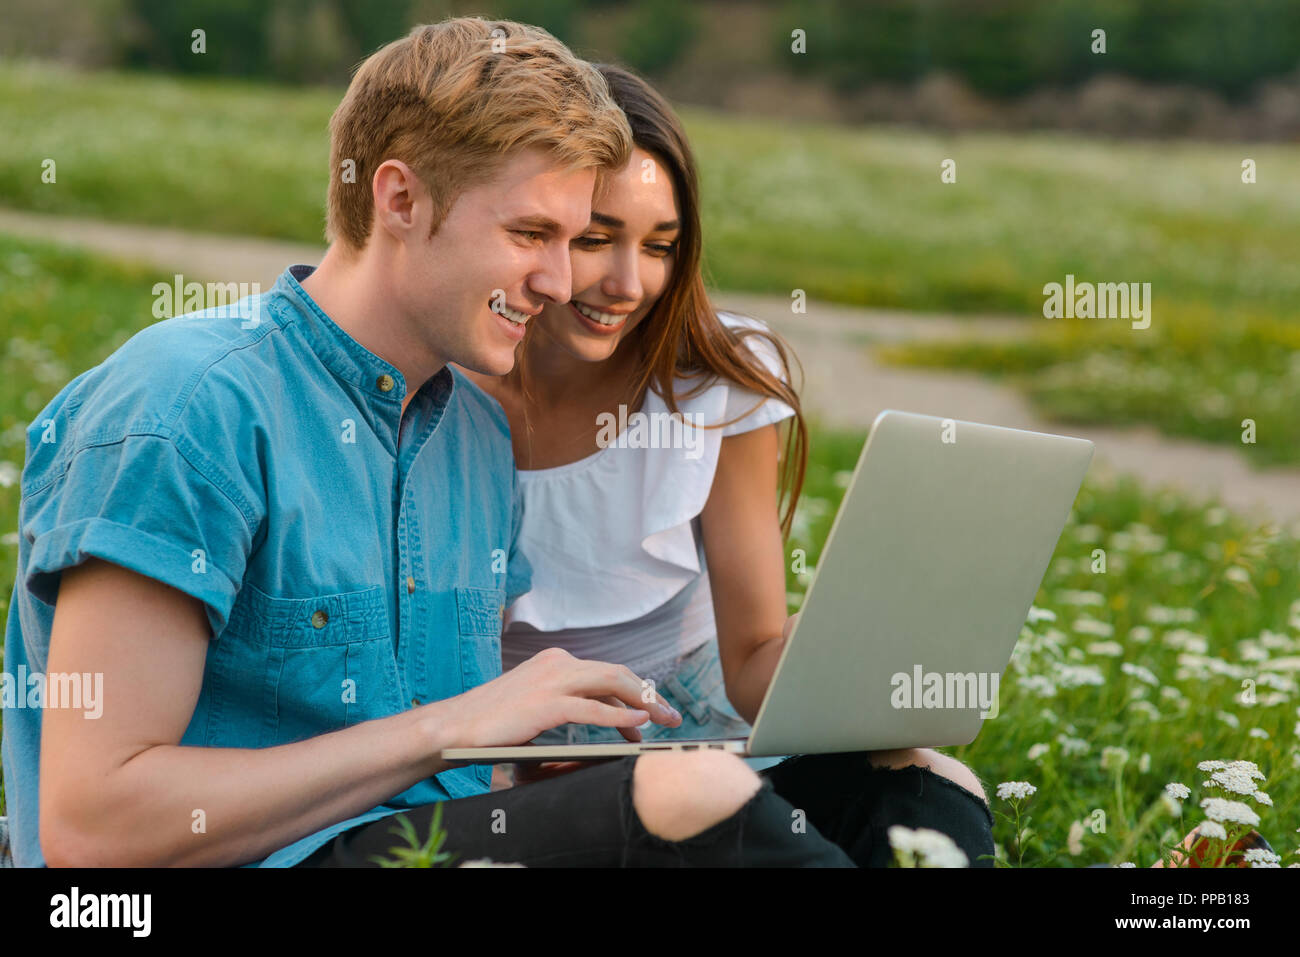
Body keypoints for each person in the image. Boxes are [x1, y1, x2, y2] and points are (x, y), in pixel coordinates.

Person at [454, 63, 997, 866]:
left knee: (927, 777)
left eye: (661, 246)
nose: (627, 284)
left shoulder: (712, 385)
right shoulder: (445, 384)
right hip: (520, 753)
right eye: (597, 238)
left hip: (700, 727)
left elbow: (749, 664)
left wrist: (852, 664)